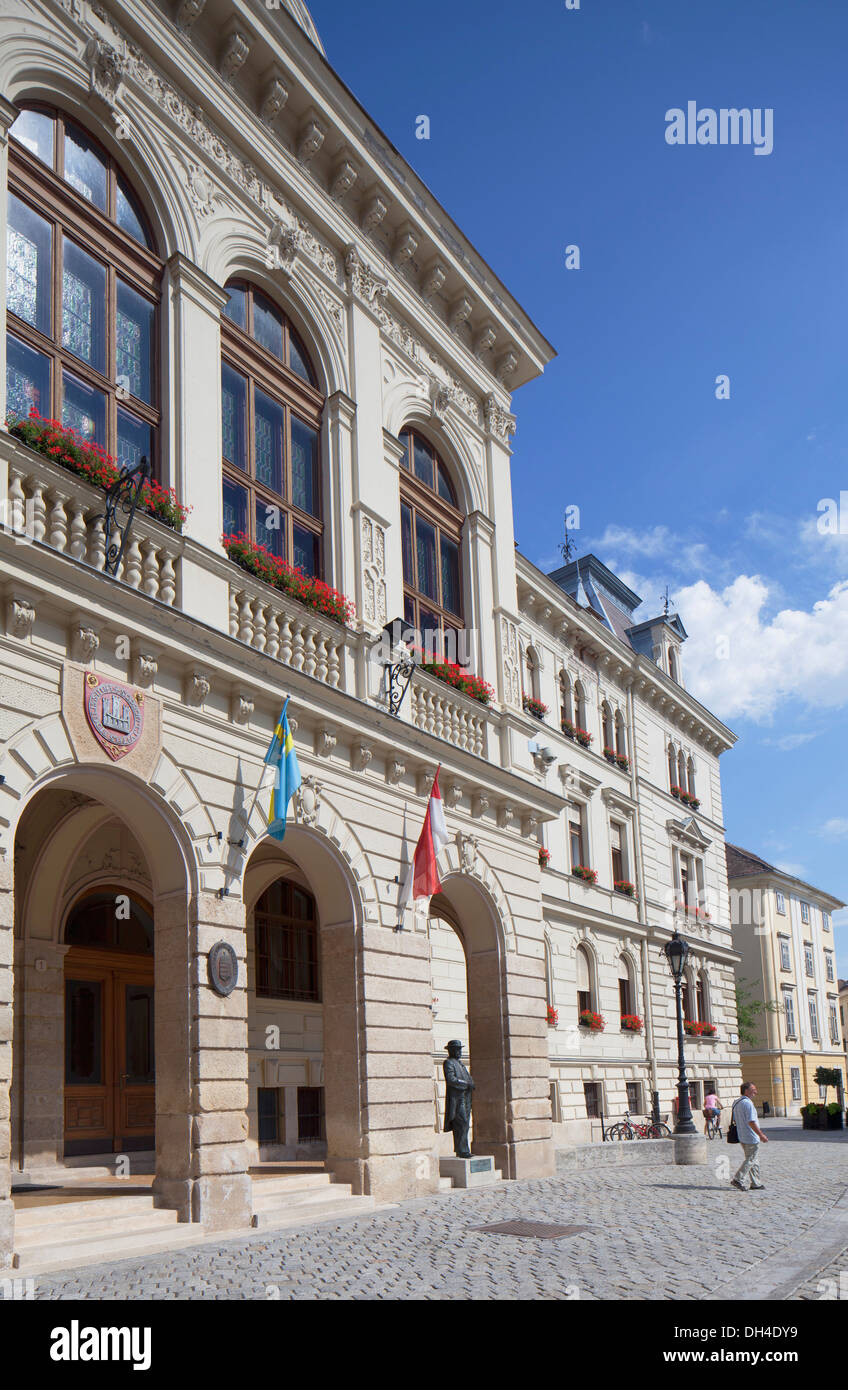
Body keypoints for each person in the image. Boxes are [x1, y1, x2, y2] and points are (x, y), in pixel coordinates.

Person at [731, 1081, 768, 1190]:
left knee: (753, 1159)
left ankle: (756, 1183)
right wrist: (761, 1135)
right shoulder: (747, 1103)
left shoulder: (736, 1102)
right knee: (751, 1159)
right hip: (750, 1136)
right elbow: (751, 1121)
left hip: (742, 1135)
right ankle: (738, 1179)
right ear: (746, 1091)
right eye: (753, 1090)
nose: (756, 1092)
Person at [443, 1039, 475, 1158]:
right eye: (457, 1049)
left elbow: (467, 1077)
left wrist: (471, 1083)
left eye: (460, 1049)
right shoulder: (449, 1063)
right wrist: (466, 1084)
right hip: (457, 1099)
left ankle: (464, 1149)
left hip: (466, 1097)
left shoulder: (460, 1064)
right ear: (451, 1050)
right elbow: (451, 1080)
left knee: (465, 1123)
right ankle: (462, 1150)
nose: (459, 1052)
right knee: (460, 1123)